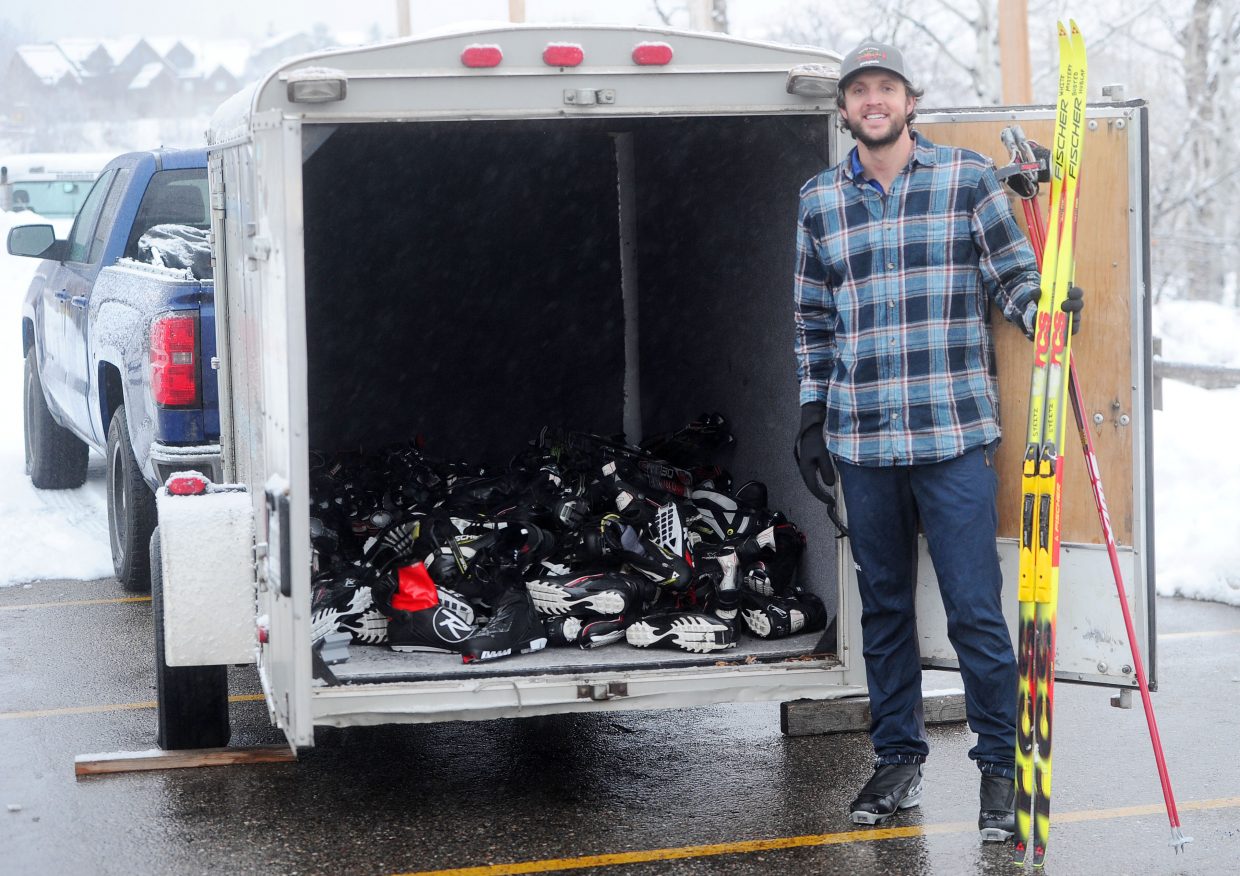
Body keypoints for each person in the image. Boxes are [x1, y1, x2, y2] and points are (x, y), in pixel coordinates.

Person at [792, 40, 1083, 842]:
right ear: (845, 109)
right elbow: (812, 318)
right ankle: (896, 759)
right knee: (883, 611)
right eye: (860, 92)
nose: (873, 102)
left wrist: (1045, 307)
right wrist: (813, 414)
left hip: (952, 431)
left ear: (909, 101)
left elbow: (1012, 274)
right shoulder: (820, 199)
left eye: (886, 89)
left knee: (973, 611)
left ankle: (998, 768)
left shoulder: (966, 179)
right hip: (862, 438)